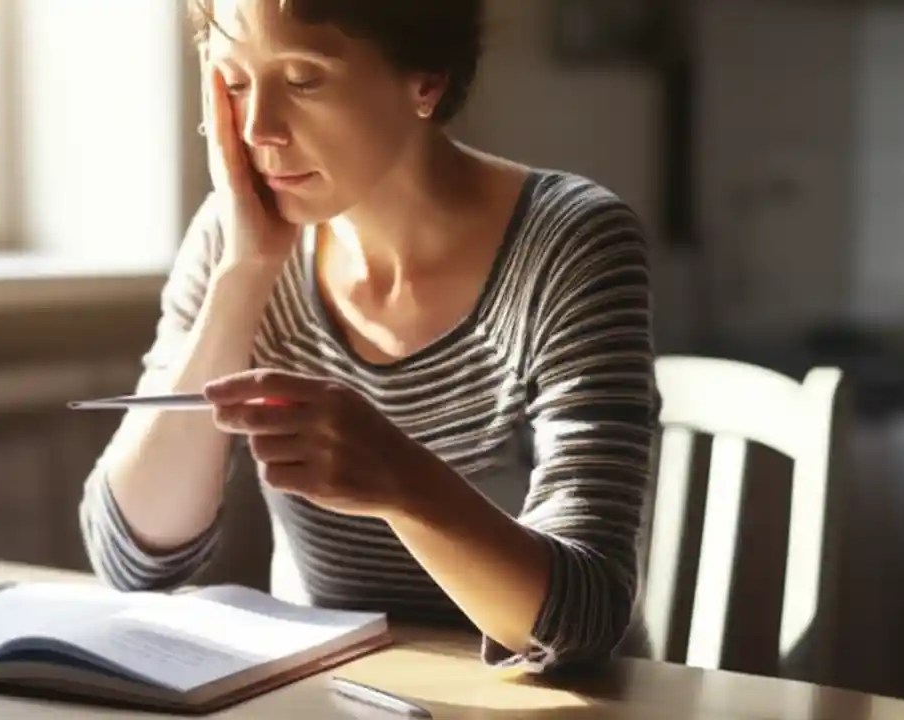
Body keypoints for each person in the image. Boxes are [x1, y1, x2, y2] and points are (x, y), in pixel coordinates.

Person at [80, 0, 659, 673]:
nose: (260, 129)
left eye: (302, 80)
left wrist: (401, 481)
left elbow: (582, 622)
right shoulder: (233, 233)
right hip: (329, 697)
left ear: (426, 80)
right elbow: (131, 555)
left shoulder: (572, 244)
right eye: (235, 82)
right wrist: (245, 272)